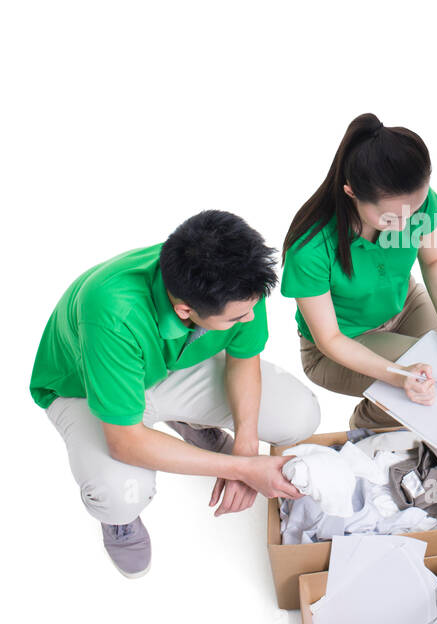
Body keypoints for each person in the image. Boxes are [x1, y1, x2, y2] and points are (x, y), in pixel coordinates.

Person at [31, 210, 320, 577]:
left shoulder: (239, 282)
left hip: (170, 367)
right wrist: (244, 468)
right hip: (85, 391)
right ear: (185, 309)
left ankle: (185, 419)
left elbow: (243, 359)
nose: (249, 319)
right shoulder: (110, 311)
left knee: (300, 415)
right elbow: (124, 441)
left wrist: (246, 445)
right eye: (235, 318)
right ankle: (120, 520)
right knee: (120, 494)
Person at [281, 113, 437, 428]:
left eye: (413, 211)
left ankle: (393, 402)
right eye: (390, 218)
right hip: (341, 343)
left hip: (404, 306)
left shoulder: (415, 201)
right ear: (351, 193)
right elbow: (330, 339)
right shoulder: (310, 248)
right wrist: (398, 377)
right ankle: (369, 422)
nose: (404, 225)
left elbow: (433, 260)